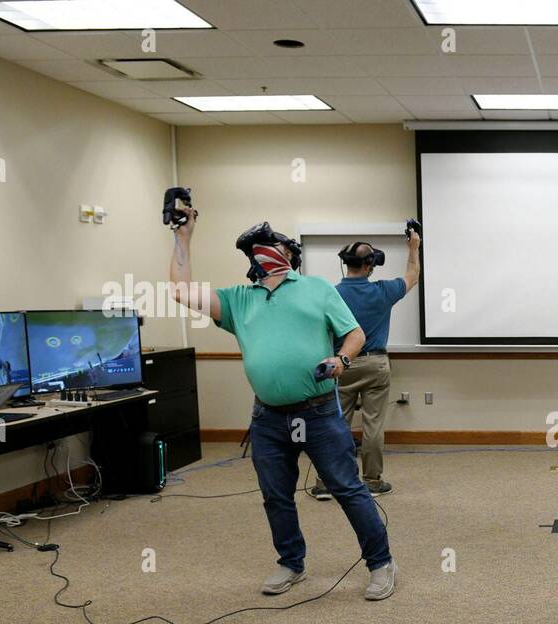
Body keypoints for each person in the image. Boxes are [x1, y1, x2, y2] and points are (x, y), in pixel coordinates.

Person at [168, 209, 397, 601]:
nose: (259, 252)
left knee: (346, 487)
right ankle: (291, 562)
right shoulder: (238, 300)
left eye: (270, 244)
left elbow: (355, 334)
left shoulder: (317, 288)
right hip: (269, 417)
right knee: (276, 494)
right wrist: (183, 235)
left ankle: (381, 563)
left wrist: (341, 360)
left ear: (287, 253)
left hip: (320, 411)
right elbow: (180, 292)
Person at [310, 231, 421, 500]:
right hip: (376, 365)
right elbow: (413, 274)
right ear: (371, 264)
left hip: (342, 365)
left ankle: (326, 483)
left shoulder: (331, 295)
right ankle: (372, 481)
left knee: (335, 426)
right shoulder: (383, 290)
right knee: (373, 426)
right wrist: (413, 247)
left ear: (345, 263)